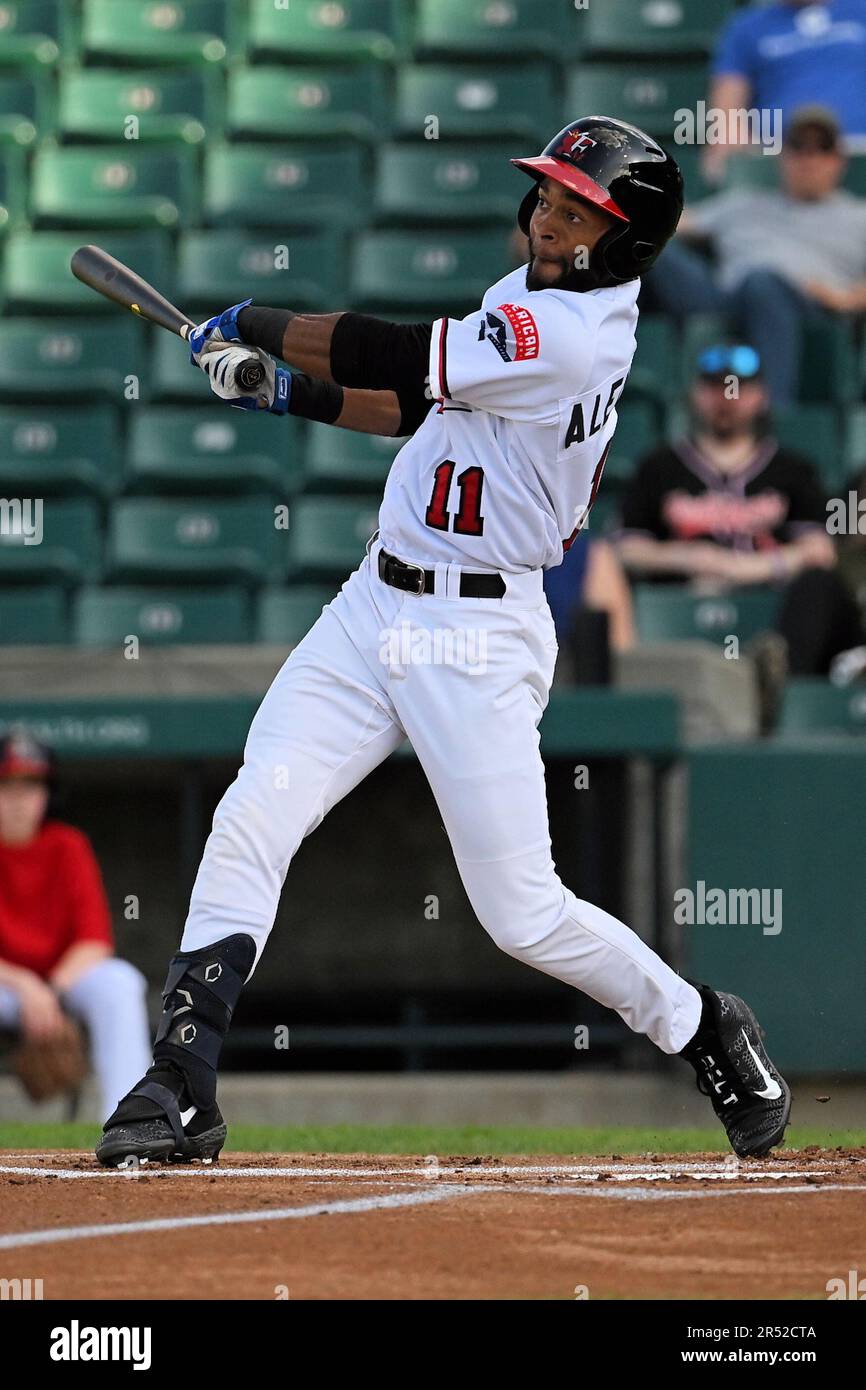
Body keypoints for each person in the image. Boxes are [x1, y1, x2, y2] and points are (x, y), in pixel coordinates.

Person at [97, 117, 791, 1169]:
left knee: (521, 912)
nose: (549, 217)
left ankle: (700, 1026)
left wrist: (258, 322)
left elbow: (393, 350)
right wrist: (285, 390)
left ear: (625, 240)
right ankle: (180, 1078)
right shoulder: (530, 300)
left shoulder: (574, 333)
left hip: (477, 632)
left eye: (576, 209)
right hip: (374, 601)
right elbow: (417, 404)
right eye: (549, 199)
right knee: (255, 811)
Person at [614, 343, 864, 677]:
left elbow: (820, 552)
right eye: (714, 387)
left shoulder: (793, 469)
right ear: (694, 394)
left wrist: (743, 568)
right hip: (682, 607)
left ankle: (779, 689)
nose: (726, 398)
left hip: (774, 610)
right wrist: (691, 557)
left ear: (761, 396)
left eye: (739, 388)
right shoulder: (658, 467)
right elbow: (624, 550)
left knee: (818, 587)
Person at [647, 107, 866, 403]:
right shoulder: (744, 203)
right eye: (799, 147)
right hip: (723, 302)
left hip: (809, 313)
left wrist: (847, 299)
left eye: (822, 149)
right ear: (782, 156)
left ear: (839, 160)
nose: (809, 160)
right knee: (646, 239)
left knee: (763, 285)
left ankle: (770, 420)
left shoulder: (857, 217)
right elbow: (679, 223)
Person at [0, 729, 152, 1118]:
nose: (19, 801)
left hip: (60, 981)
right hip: (7, 986)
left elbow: (95, 941)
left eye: (31, 787)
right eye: (8, 787)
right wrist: (27, 987)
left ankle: (128, 1118)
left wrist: (49, 990)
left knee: (119, 982)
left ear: (47, 795)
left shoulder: (67, 844)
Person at [704, 0, 866, 183]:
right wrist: (730, 149)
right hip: (778, 163)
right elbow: (728, 103)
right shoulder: (747, 27)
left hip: (859, 148)